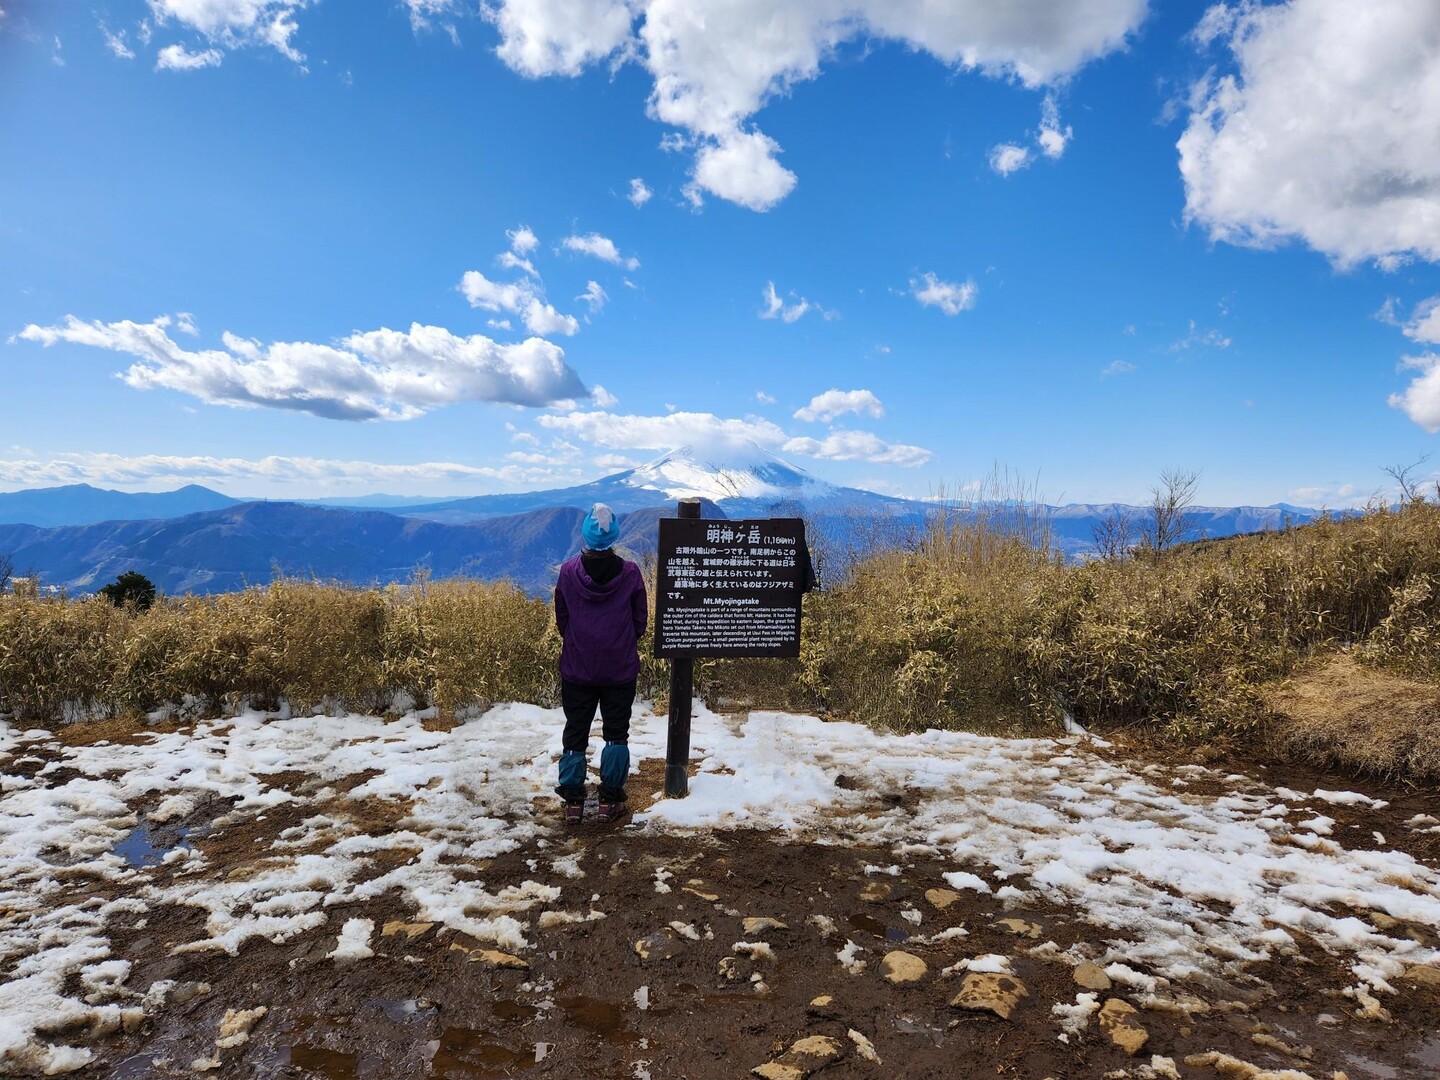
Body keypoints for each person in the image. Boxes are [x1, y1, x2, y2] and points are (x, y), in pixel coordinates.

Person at [553, 503, 647, 826]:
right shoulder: (630, 573)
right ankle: (609, 802)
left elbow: (562, 618)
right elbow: (639, 620)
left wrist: (578, 641)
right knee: (617, 733)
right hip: (619, 668)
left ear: (585, 537)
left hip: (577, 667)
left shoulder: (568, 572)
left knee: (575, 731)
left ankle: (573, 804)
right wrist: (621, 641)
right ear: (614, 536)